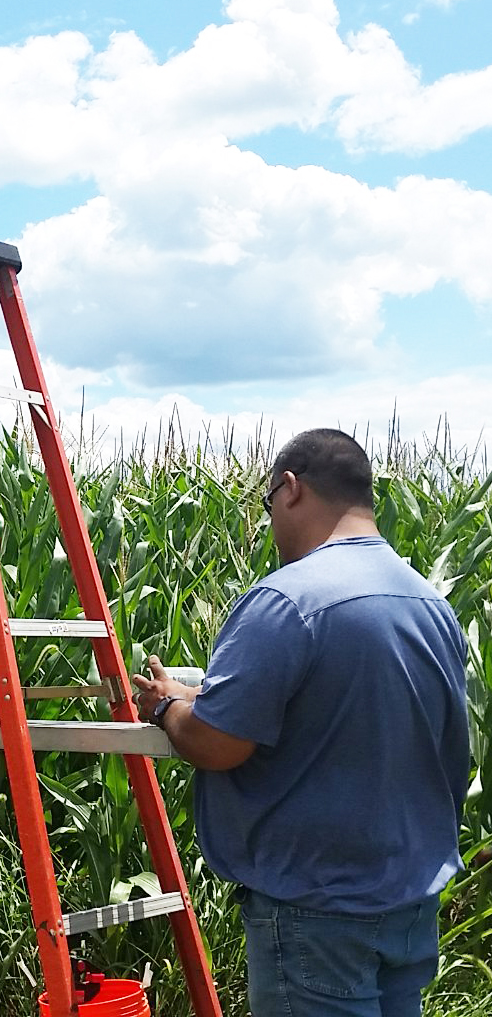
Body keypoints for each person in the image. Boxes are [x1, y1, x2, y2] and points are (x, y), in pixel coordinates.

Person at [130, 429, 469, 1017]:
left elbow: (216, 743)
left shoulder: (289, 600)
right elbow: (349, 707)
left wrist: (166, 708)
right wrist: (197, 693)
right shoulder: (428, 603)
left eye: (267, 508)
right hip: (407, 901)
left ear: (290, 489)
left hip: (318, 910)